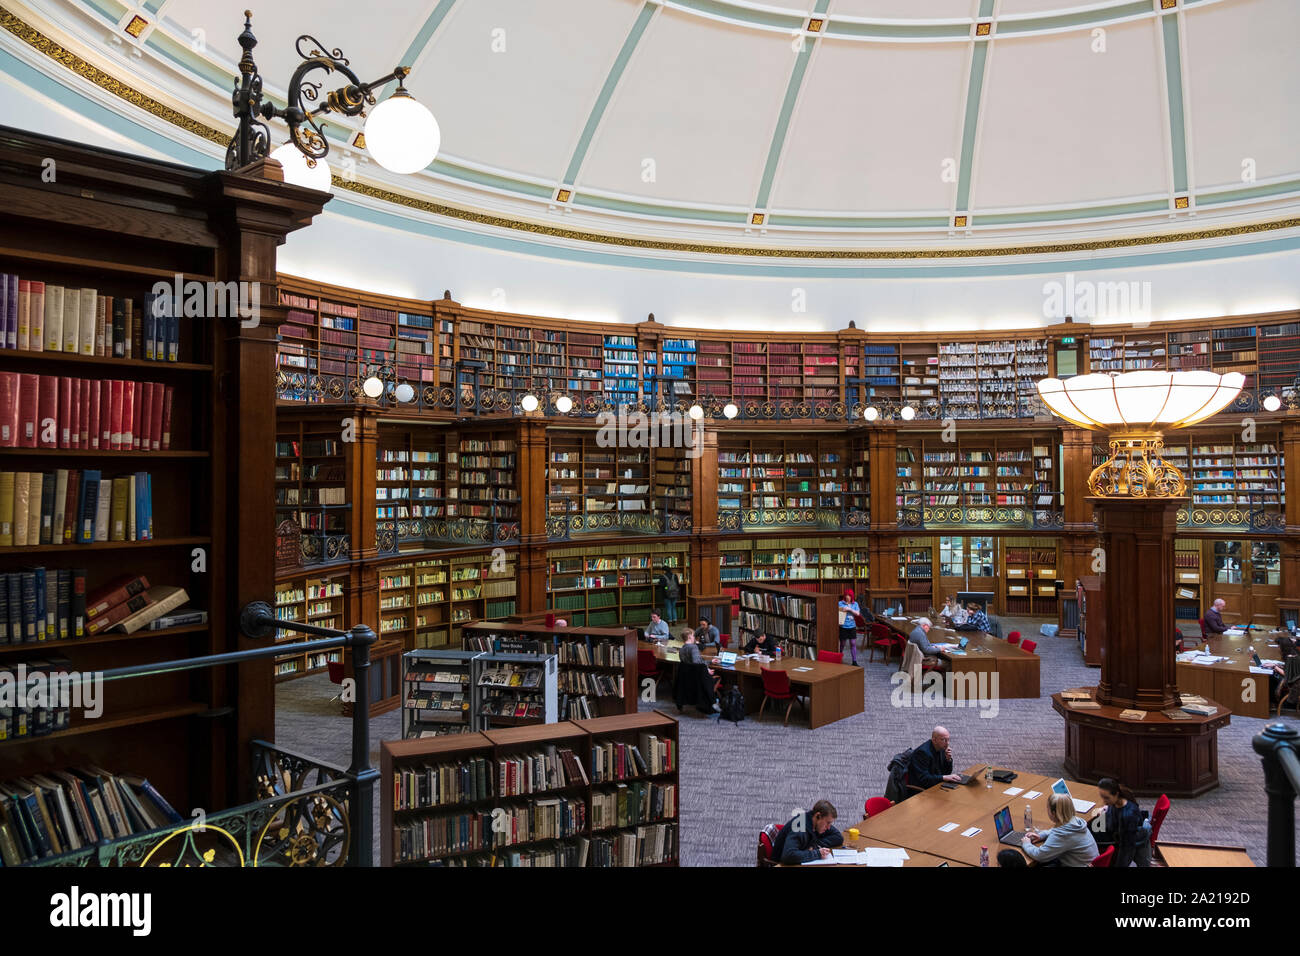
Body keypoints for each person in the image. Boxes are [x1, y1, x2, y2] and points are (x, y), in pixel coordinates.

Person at [1020, 792, 1099, 867]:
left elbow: (1040, 855)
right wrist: (1041, 835)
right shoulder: (1075, 821)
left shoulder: (1062, 834)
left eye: (1047, 808)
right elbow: (1058, 830)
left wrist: (1027, 844)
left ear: (1053, 813)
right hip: (1087, 863)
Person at [1095, 778, 1151, 867]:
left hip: (1116, 840)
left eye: (1106, 798)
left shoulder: (1128, 816)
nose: (1104, 801)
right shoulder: (1118, 800)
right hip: (1111, 829)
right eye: (1102, 797)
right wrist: (1106, 809)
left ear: (1116, 794)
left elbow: (1127, 848)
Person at [770, 800, 844, 864]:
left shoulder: (816, 823)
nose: (828, 828)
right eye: (828, 823)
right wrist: (817, 853)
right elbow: (788, 855)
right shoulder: (800, 828)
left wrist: (814, 846)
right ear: (818, 816)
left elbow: (838, 837)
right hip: (780, 864)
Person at [906, 726, 963, 793]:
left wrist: (948, 760)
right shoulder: (922, 753)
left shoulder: (941, 748)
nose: (947, 743)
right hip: (922, 790)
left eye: (948, 739)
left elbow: (946, 773)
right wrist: (944, 778)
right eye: (943, 740)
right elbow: (924, 779)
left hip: (936, 785)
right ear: (934, 740)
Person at [838, 589, 861, 666]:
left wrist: (850, 609)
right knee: (842, 643)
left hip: (852, 627)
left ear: (852, 596)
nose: (848, 597)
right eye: (846, 596)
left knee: (853, 643)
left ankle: (854, 661)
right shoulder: (840, 603)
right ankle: (839, 657)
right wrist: (842, 610)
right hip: (843, 626)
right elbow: (836, 612)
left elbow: (857, 614)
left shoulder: (855, 604)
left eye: (849, 596)